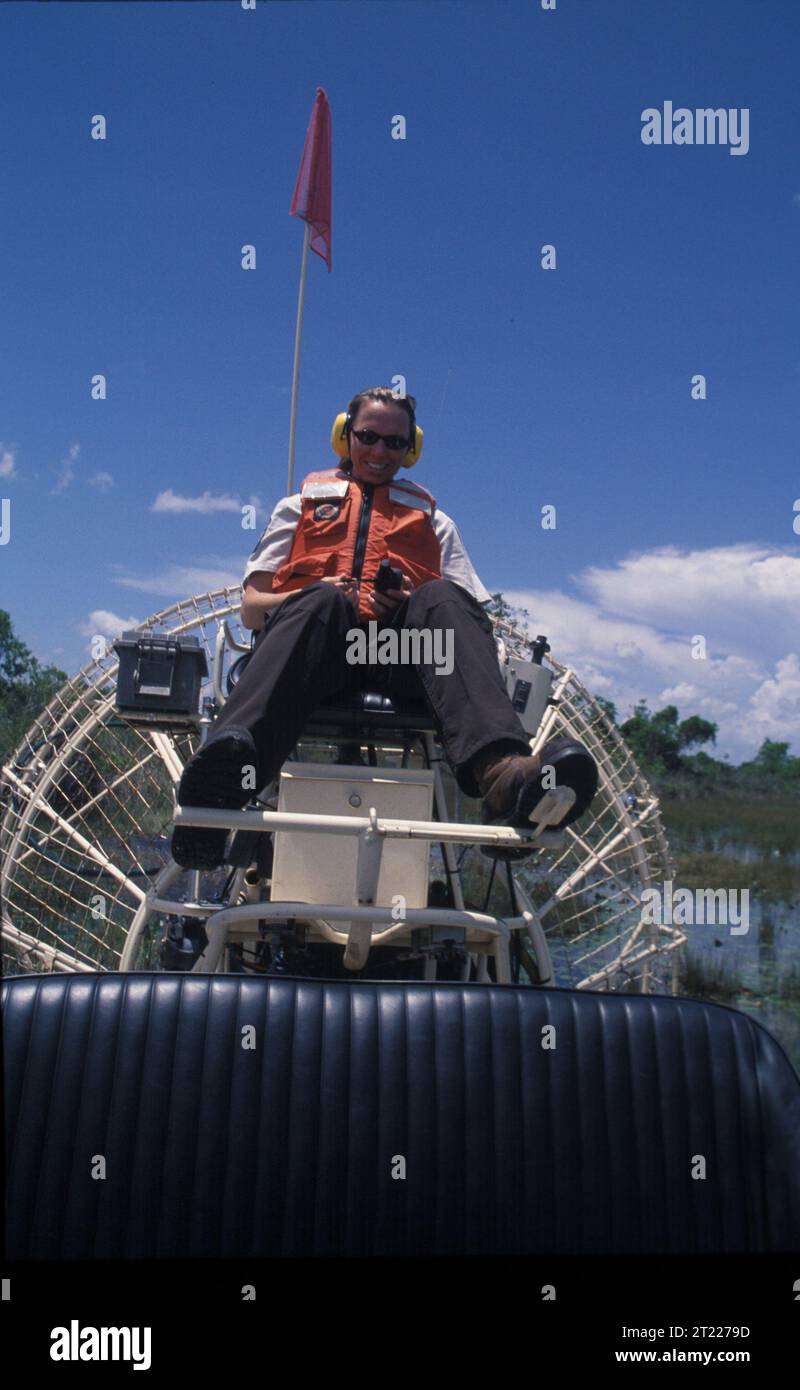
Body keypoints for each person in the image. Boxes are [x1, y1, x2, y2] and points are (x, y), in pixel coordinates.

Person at [171, 387, 598, 869]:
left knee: (442, 596)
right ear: (344, 436)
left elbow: (467, 617)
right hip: (318, 653)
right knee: (325, 600)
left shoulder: (436, 523)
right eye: (368, 437)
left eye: (394, 443)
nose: (379, 452)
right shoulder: (297, 508)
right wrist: (326, 591)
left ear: (410, 449)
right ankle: (225, 783)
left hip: (402, 657)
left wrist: (408, 603)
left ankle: (504, 777)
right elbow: (252, 610)